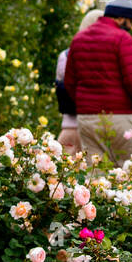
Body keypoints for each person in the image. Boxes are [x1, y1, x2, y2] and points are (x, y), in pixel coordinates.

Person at [64, 0, 132, 167]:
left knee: (96, 173)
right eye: (130, 21)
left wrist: (85, 104)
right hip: (121, 117)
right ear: (120, 18)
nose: (131, 26)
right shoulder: (123, 39)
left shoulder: (78, 39)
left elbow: (70, 82)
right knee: (129, 170)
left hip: (88, 118)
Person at [55, 9, 103, 155]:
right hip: (97, 130)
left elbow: (61, 86)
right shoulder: (108, 59)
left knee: (62, 172)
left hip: (70, 128)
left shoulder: (65, 56)